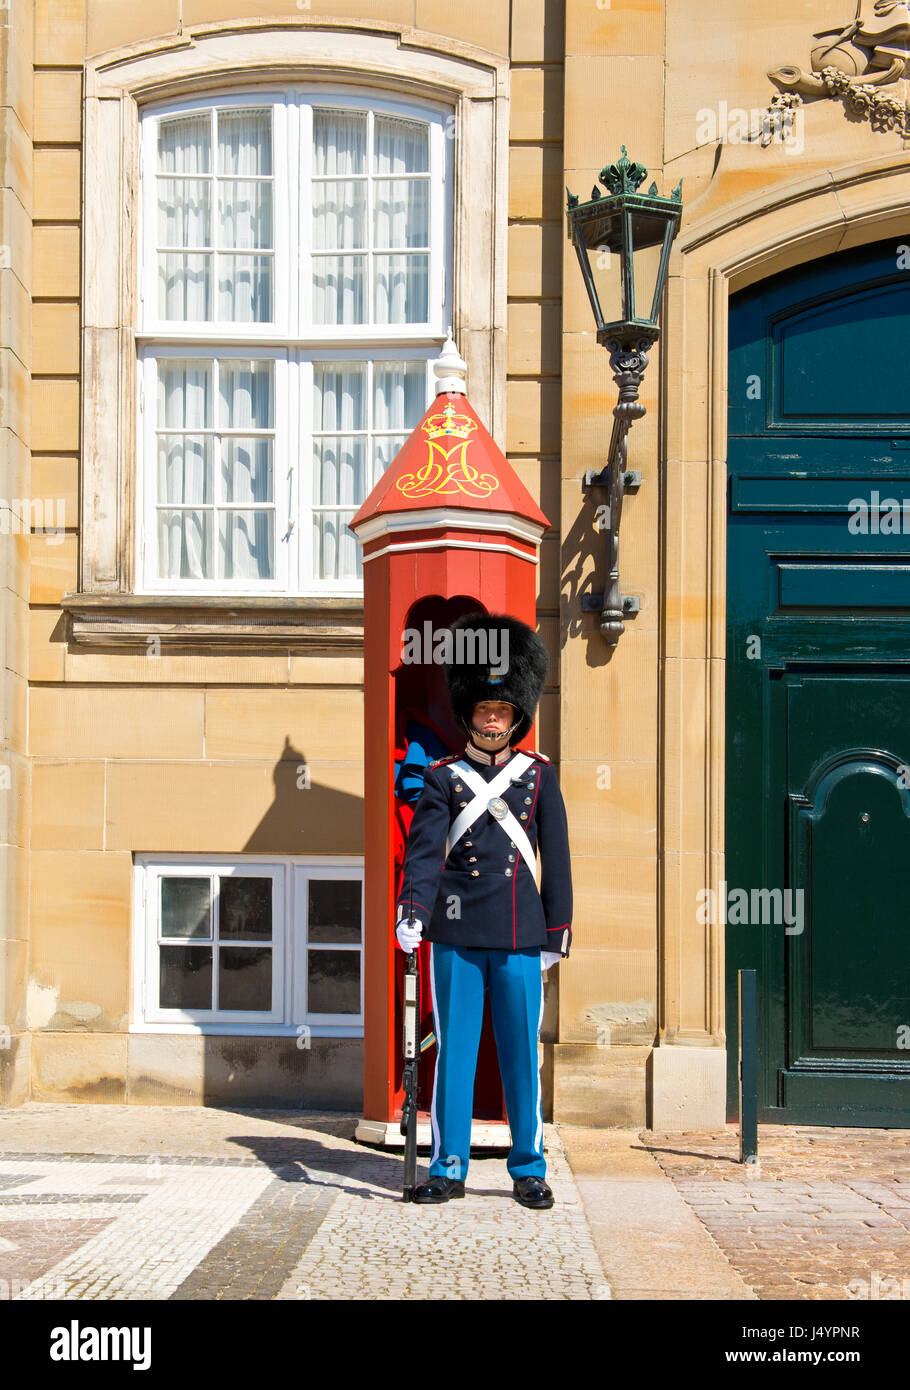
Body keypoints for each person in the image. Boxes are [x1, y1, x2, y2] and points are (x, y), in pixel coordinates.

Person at [394, 612, 573, 1208]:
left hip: (522, 935)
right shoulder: (446, 777)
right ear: (469, 714)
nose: (492, 718)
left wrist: (558, 932)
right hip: (458, 932)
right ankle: (448, 1165)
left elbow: (558, 860)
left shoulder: (540, 777)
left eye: (502, 710)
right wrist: (412, 910)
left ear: (515, 716)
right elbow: (424, 853)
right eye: (483, 710)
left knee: (522, 1056)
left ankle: (528, 1166)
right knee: (457, 1052)